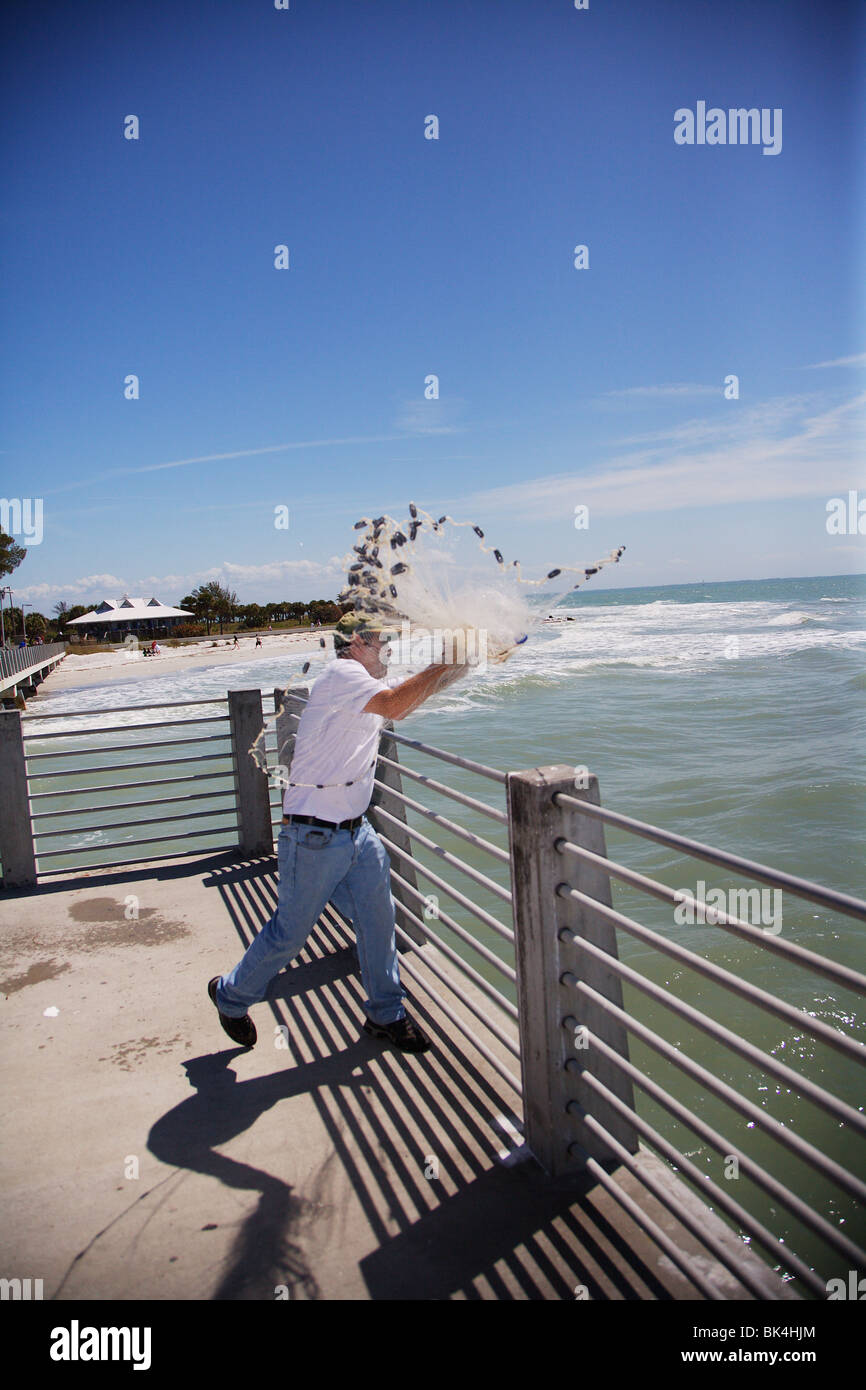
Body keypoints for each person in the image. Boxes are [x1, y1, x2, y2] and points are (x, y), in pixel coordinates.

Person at [208, 612, 467, 1053]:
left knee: (378, 920)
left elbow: (404, 701)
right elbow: (396, 704)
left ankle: (386, 1014)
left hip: (356, 832)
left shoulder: (361, 682)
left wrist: (460, 664)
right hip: (313, 836)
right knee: (289, 933)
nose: (389, 649)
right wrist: (445, 664)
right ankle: (230, 995)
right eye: (382, 641)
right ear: (357, 644)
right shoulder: (343, 674)